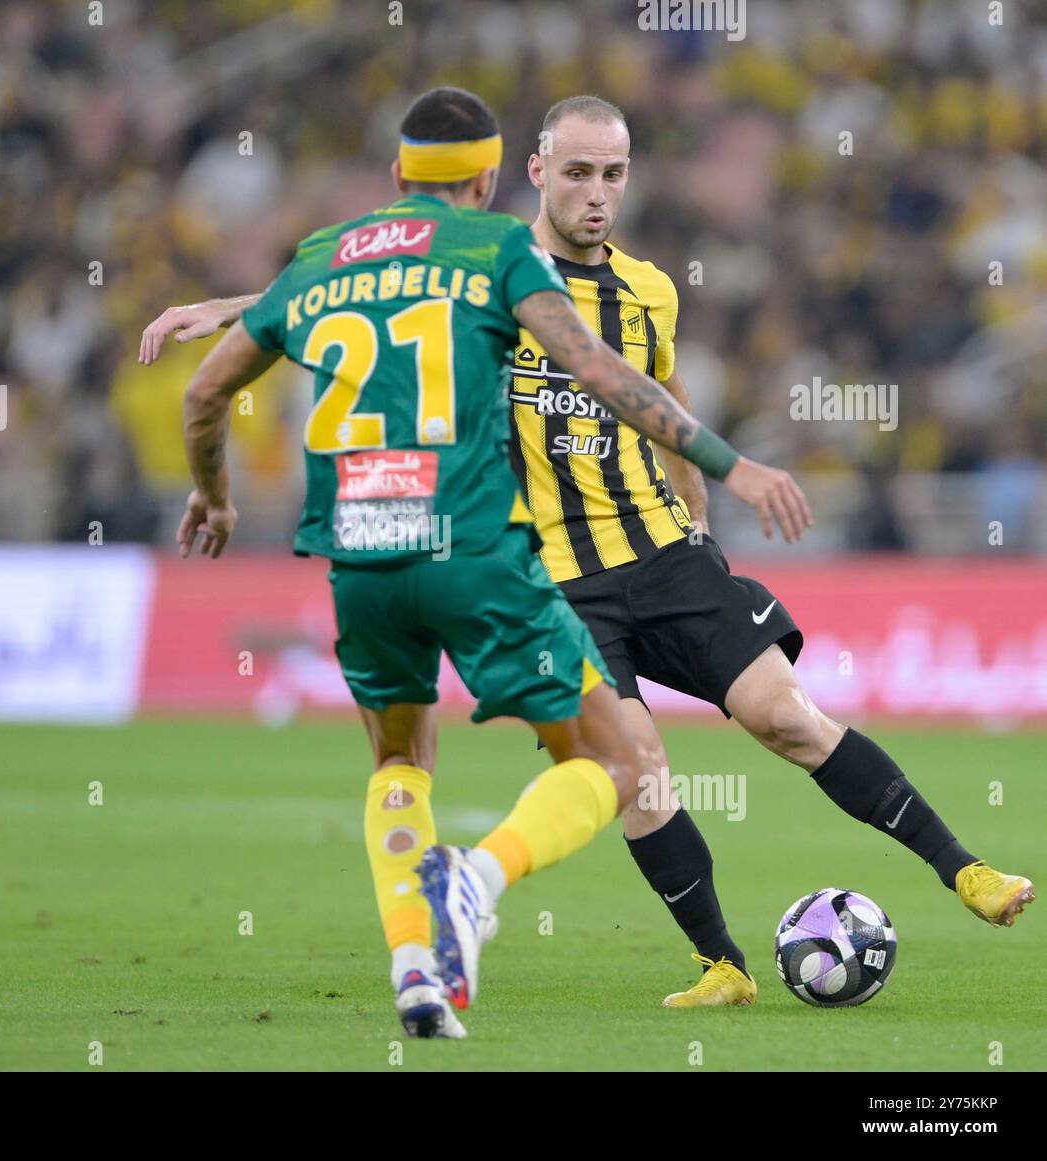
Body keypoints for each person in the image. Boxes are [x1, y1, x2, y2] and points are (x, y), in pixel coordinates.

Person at [147, 86, 810, 1036]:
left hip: (358, 554)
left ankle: (415, 965)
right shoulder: (502, 251)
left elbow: (206, 397)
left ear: (397, 175)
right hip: (470, 546)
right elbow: (601, 370)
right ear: (497, 178)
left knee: (398, 760)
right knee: (619, 759)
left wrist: (212, 491)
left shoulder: (322, 257)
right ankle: (480, 873)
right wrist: (727, 463)